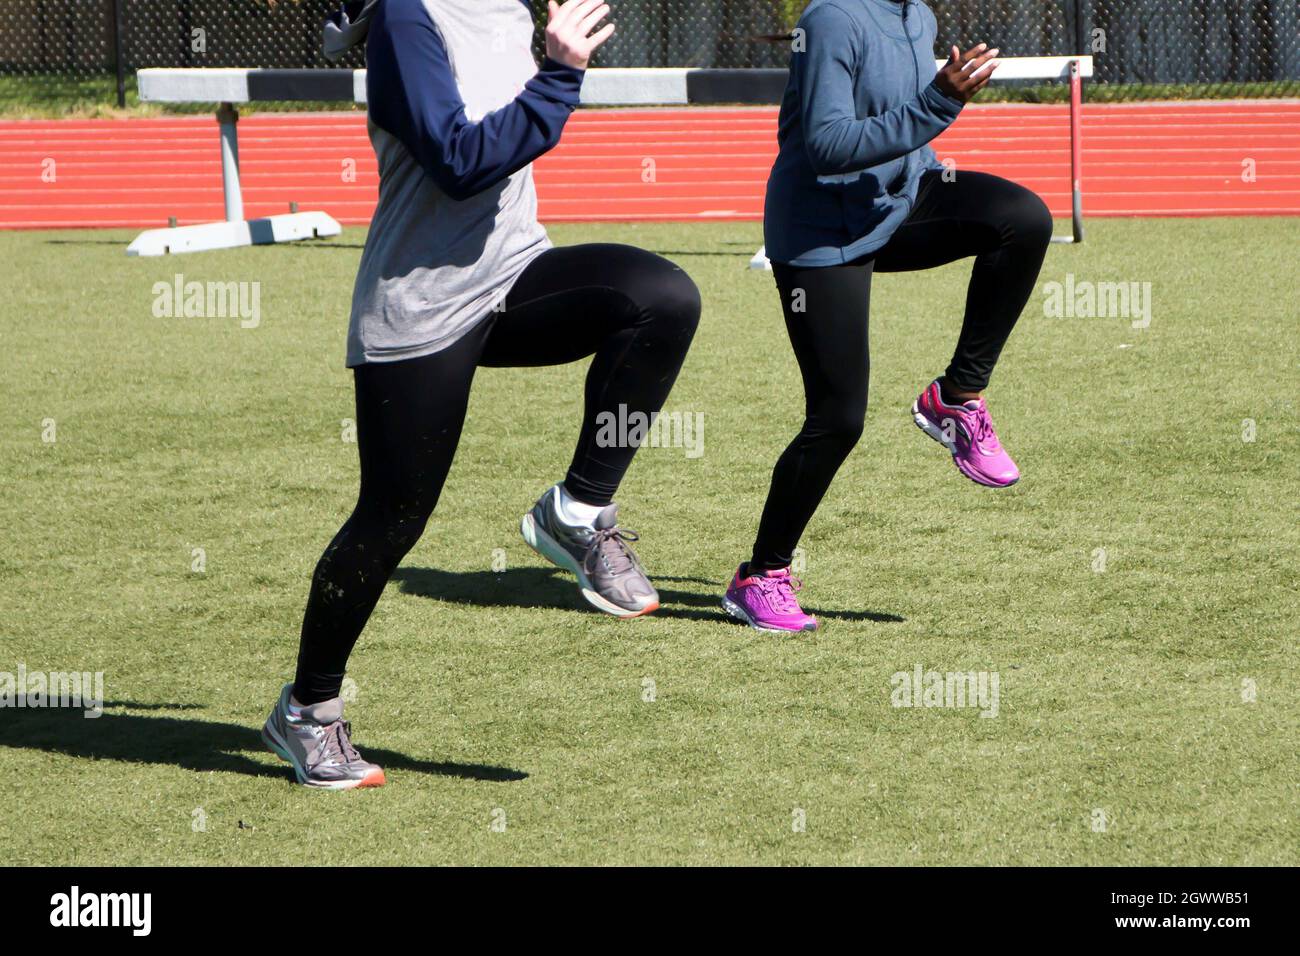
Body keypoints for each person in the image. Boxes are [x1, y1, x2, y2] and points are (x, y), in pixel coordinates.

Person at [263, 0, 701, 788]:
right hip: (420, 309)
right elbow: (459, 160)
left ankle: (574, 511)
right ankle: (307, 713)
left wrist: (553, 60)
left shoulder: (512, 9)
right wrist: (561, 75)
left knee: (662, 298)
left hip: (513, 277)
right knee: (390, 520)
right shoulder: (406, 20)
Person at [723, 0, 1053, 633]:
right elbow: (825, 144)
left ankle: (957, 397)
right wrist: (938, 101)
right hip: (820, 233)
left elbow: (903, 132)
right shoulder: (831, 20)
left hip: (897, 204)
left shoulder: (917, 17)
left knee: (1022, 219)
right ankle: (760, 576)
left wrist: (929, 152)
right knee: (838, 418)